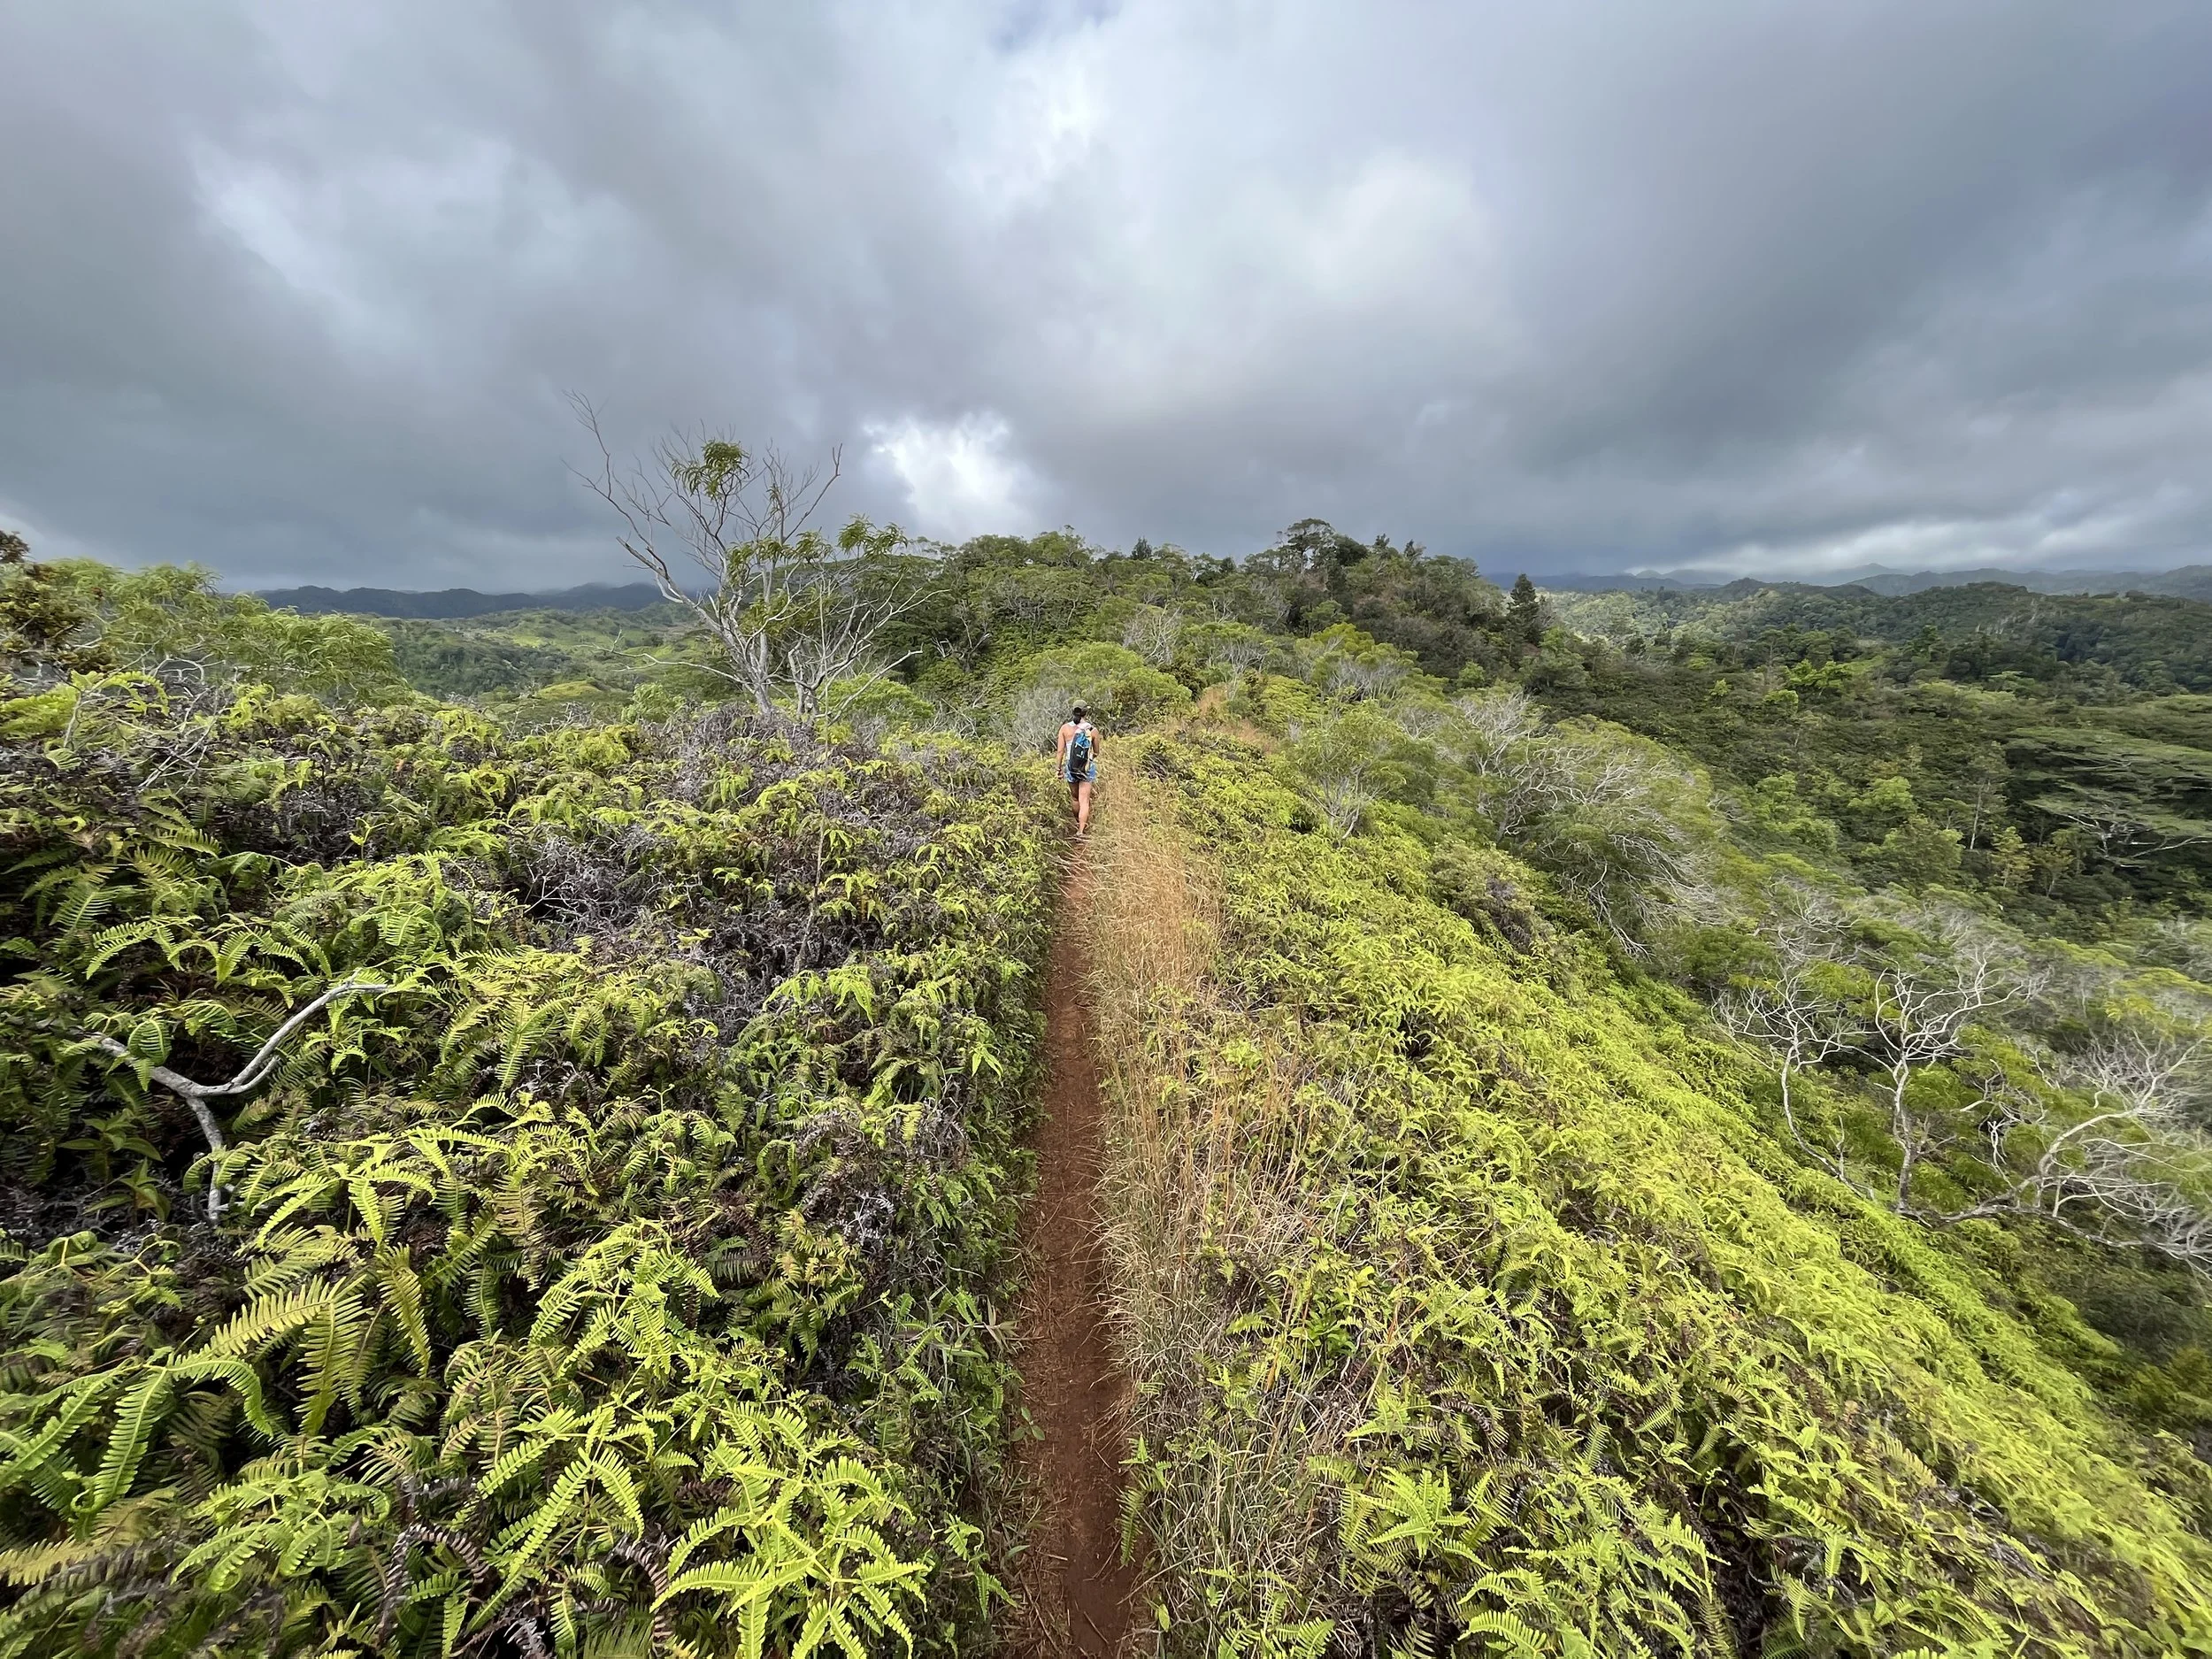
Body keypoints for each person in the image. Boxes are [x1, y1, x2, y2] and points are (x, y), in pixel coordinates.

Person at [1056, 704, 1100, 838]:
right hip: (1086, 767)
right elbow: (1096, 752)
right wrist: (1090, 759)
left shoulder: (1065, 728)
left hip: (1071, 767)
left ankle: (1077, 822)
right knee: (1084, 800)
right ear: (1086, 713)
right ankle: (1081, 830)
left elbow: (1060, 752)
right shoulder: (1092, 730)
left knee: (1075, 798)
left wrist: (1058, 769)